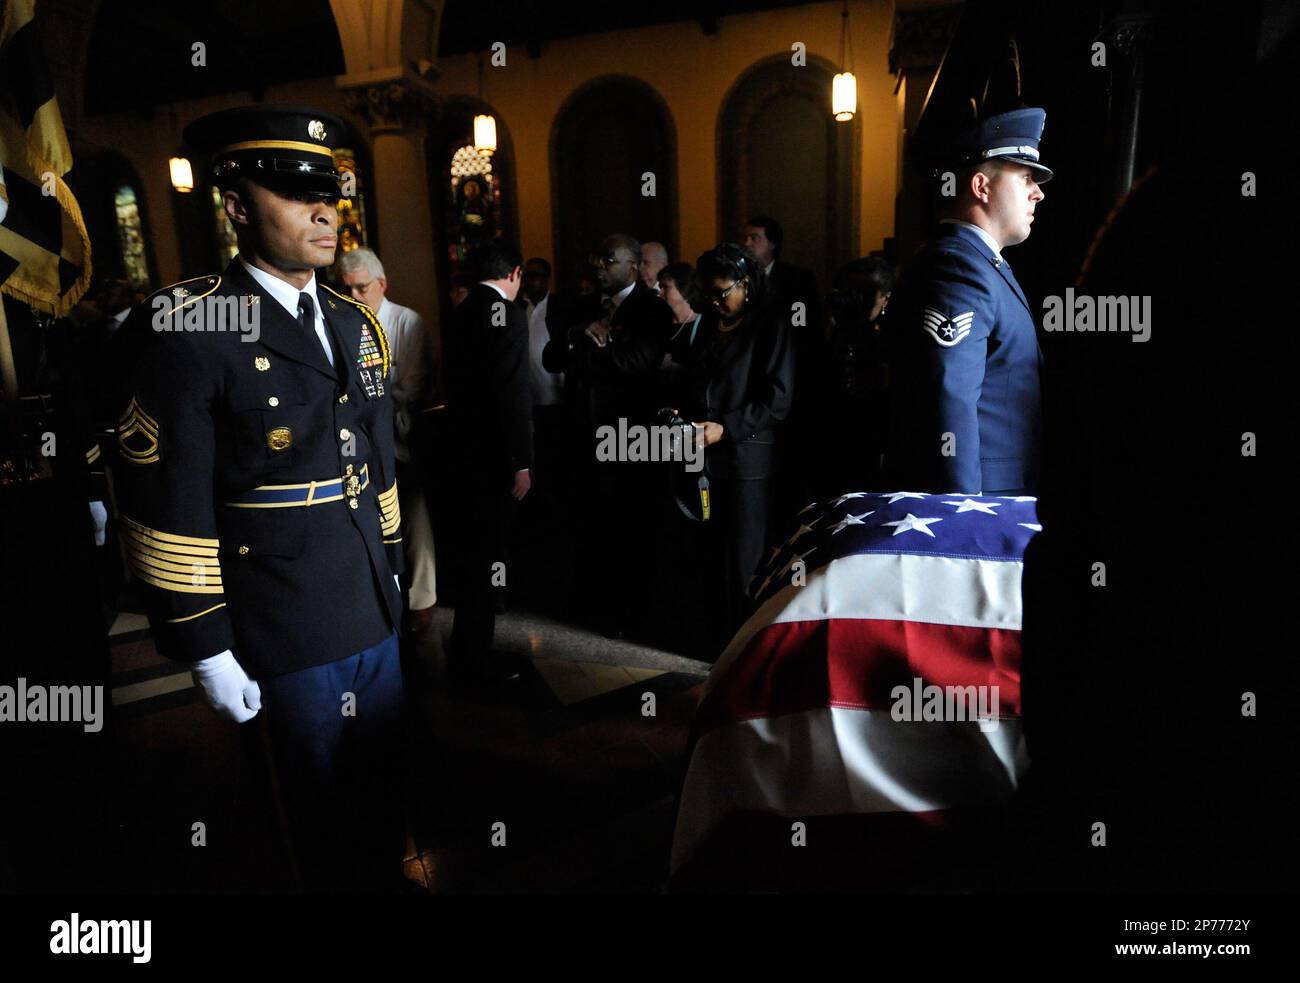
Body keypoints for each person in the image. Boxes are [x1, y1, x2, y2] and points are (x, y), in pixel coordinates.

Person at [109, 105, 406, 892]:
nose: (323, 211)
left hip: (369, 605)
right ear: (237, 205)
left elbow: (374, 461)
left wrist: (395, 571)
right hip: (277, 621)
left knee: (379, 793)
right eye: (292, 193)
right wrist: (202, 643)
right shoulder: (189, 324)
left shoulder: (353, 324)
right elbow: (166, 494)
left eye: (330, 193)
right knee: (308, 815)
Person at [885, 107, 1050, 495]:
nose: (1038, 192)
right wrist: (963, 513)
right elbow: (950, 400)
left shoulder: (979, 264)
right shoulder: (959, 268)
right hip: (980, 501)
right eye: (1025, 177)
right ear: (982, 186)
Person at [667, 244, 794, 642]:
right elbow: (694, 377)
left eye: (723, 293)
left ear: (747, 285)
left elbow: (778, 400)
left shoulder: (771, 325)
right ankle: (711, 639)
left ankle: (743, 646)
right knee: (706, 555)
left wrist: (725, 427)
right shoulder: (705, 324)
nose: (715, 302)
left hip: (746, 459)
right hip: (702, 456)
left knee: (745, 561)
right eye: (708, 294)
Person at [558, 233, 674, 637]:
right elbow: (553, 355)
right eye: (597, 258)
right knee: (589, 523)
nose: (599, 266)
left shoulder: (651, 309)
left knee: (629, 525)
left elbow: (635, 365)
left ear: (633, 265)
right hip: (582, 432)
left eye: (608, 260)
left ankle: (631, 614)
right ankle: (593, 605)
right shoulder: (584, 305)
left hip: (628, 434)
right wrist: (585, 341)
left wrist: (594, 351)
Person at [441, 239, 532, 684]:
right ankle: (475, 660)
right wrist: (521, 461)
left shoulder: (460, 312)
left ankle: (469, 651)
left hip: (461, 456)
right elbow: (511, 394)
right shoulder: (509, 315)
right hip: (495, 461)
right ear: (514, 273)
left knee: (472, 558)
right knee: (489, 556)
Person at [338, 247, 438, 635]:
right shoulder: (342, 323)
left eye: (361, 288)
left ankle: (422, 600)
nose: (354, 297)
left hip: (401, 440)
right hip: (355, 444)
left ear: (381, 284)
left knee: (414, 523)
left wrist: (367, 398)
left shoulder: (405, 322)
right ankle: (381, 598)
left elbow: (410, 389)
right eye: (346, 290)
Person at [818, 256, 895, 497]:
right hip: (832, 429)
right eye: (850, 291)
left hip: (874, 432)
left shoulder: (892, 333)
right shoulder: (836, 329)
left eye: (863, 292)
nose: (855, 299)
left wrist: (882, 376)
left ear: (885, 297)